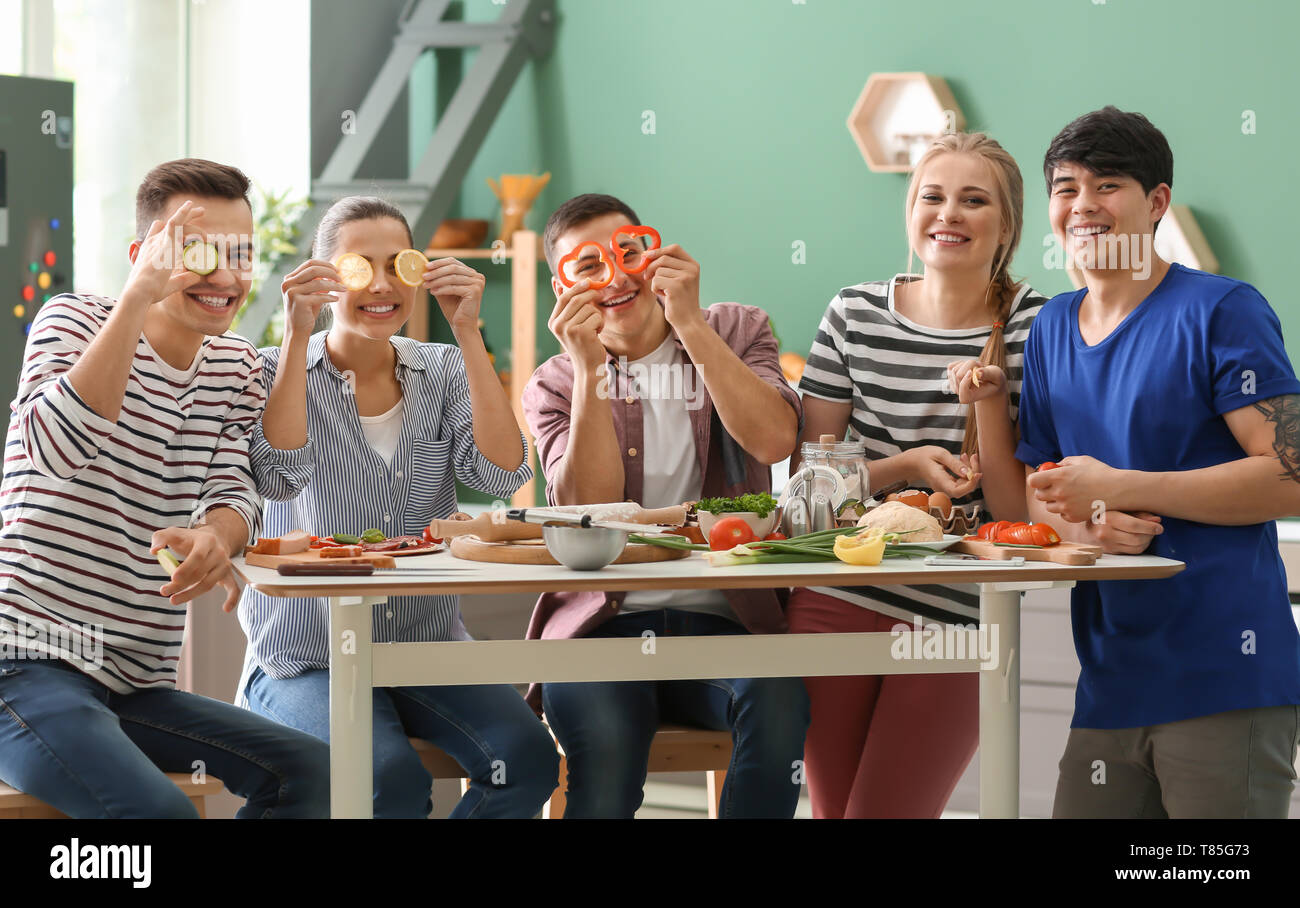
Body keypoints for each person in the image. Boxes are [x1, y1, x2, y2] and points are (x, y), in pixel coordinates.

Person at [0, 158, 330, 817]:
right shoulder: (73, 321)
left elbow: (237, 493)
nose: (226, 277)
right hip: (24, 667)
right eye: (198, 252)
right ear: (143, 255)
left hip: (134, 682)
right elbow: (57, 451)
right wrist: (137, 297)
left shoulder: (235, 365)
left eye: (241, 254)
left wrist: (216, 536)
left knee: (314, 774)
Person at [1016, 106, 1300, 818]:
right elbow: (1040, 493)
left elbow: (1293, 473)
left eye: (1108, 184)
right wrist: (1082, 532)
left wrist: (1120, 487)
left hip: (1225, 677)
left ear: (1158, 202)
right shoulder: (1051, 327)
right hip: (1109, 683)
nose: (1083, 205)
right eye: (1065, 186)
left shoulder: (1222, 310)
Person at [237, 195, 558, 818]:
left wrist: (468, 331)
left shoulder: (442, 367)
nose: (381, 285)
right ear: (322, 275)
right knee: (389, 780)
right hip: (306, 658)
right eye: (360, 266)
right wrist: (298, 334)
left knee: (527, 759)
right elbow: (277, 476)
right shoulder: (272, 371)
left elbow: (503, 471)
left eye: (397, 264)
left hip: (426, 644)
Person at [522, 193, 809, 818]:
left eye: (629, 252)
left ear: (655, 252)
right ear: (563, 288)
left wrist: (691, 325)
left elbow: (775, 439)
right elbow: (586, 510)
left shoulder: (737, 327)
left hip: (726, 624)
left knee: (780, 690)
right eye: (590, 266)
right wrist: (590, 365)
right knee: (606, 764)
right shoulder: (555, 381)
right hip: (601, 632)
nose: (616, 277)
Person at [793, 133, 1047, 817]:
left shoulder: (1038, 327)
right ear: (910, 211)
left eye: (974, 200)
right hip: (836, 594)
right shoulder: (855, 313)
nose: (950, 214)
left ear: (1008, 225)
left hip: (962, 610)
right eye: (932, 196)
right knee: (831, 812)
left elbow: (1018, 508)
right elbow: (808, 484)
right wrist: (900, 467)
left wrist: (990, 401)